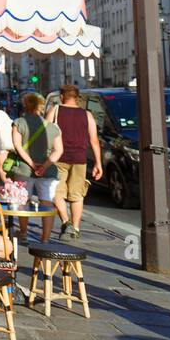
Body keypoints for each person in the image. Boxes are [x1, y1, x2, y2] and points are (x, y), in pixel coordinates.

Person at [47, 84, 102, 239]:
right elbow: (94, 140)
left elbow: (45, 133)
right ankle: (76, 229)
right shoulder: (87, 115)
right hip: (80, 159)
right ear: (77, 98)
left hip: (58, 158)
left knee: (56, 193)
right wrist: (98, 163)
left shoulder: (55, 111)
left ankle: (66, 222)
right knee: (77, 195)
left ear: (61, 96)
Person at [9, 92, 63, 243]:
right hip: (48, 171)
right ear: (41, 107)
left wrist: (32, 164)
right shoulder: (52, 127)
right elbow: (58, 150)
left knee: (23, 201)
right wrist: (44, 166)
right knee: (47, 203)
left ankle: (24, 233)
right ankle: (45, 239)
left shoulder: (19, 122)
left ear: (25, 105)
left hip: (25, 170)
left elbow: (18, 146)